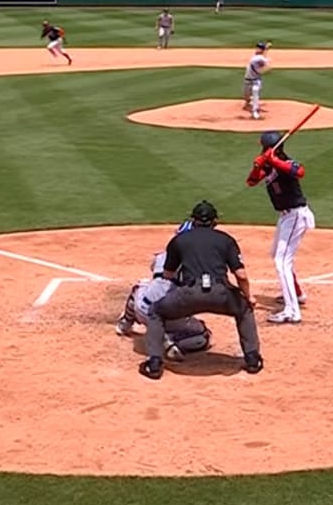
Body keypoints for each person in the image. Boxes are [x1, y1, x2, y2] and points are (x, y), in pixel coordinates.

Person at [138, 201, 264, 380]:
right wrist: (248, 297)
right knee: (244, 309)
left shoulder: (179, 240)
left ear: (193, 220)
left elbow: (167, 274)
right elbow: (241, 275)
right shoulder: (226, 239)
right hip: (221, 294)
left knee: (156, 311)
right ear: (215, 221)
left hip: (188, 294)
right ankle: (252, 359)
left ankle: (155, 363)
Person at [247, 131, 314, 324]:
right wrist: (257, 166)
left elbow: (299, 171)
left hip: (295, 215)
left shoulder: (285, 161)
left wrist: (274, 160)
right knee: (278, 254)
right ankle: (297, 294)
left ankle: (292, 312)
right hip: (286, 217)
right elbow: (251, 181)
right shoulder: (268, 165)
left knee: (281, 261)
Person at [115, 251, 213, 361]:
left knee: (140, 287)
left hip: (143, 310)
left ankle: (124, 324)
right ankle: (171, 340)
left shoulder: (163, 255)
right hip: (173, 320)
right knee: (204, 336)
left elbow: (154, 268)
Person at [243, 41, 270, 120]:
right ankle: (248, 102)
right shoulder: (258, 57)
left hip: (256, 80)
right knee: (246, 96)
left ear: (261, 49)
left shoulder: (259, 58)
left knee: (255, 91)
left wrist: (265, 66)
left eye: (259, 48)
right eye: (257, 47)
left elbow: (265, 63)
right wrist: (266, 49)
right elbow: (263, 58)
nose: (257, 49)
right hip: (247, 80)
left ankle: (255, 112)